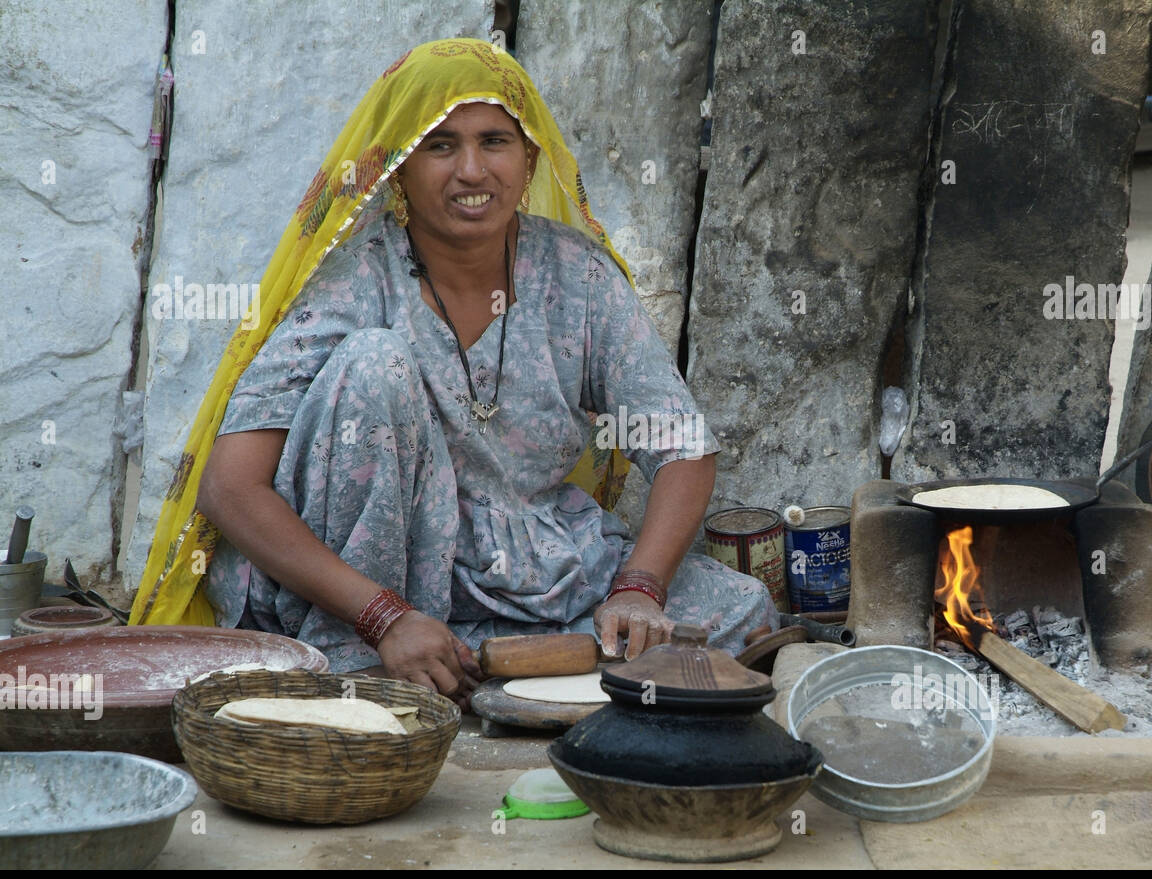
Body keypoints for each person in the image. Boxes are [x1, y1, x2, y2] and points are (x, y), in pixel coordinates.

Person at [131, 39, 777, 708]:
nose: (471, 170)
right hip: (374, 583)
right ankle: (375, 661)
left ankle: (478, 665)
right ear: (400, 168)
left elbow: (682, 448)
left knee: (738, 606)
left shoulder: (576, 276)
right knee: (376, 363)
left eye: (495, 140)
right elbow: (230, 488)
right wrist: (384, 615)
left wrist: (640, 587)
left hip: (529, 570)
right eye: (440, 146)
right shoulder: (358, 278)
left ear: (529, 160)